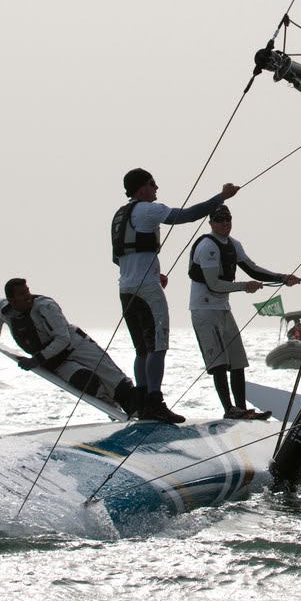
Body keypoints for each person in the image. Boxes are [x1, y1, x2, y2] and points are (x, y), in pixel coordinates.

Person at [111, 168, 239, 424]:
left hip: (125, 289)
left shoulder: (119, 215)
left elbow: (119, 257)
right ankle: (154, 402)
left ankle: (143, 401)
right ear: (141, 188)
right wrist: (221, 197)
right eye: (152, 183)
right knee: (157, 346)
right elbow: (187, 215)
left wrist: (152, 272)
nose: (156, 188)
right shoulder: (148, 209)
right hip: (147, 291)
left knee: (141, 349)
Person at [188, 204, 300, 420]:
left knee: (238, 360)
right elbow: (213, 284)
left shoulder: (233, 244)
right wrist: (244, 286)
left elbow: (252, 269)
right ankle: (229, 409)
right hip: (204, 309)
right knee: (219, 363)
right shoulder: (207, 246)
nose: (224, 223)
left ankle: (242, 408)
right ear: (211, 223)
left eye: (228, 218)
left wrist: (282, 278)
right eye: (219, 219)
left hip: (223, 308)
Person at [0, 278, 143, 418]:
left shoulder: (45, 306)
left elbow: (63, 339)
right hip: (55, 360)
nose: (27, 296)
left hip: (77, 346)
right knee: (84, 380)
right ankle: (111, 406)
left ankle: (141, 410)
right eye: (21, 294)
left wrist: (36, 360)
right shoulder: (3, 308)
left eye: (27, 291)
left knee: (118, 384)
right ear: (11, 300)